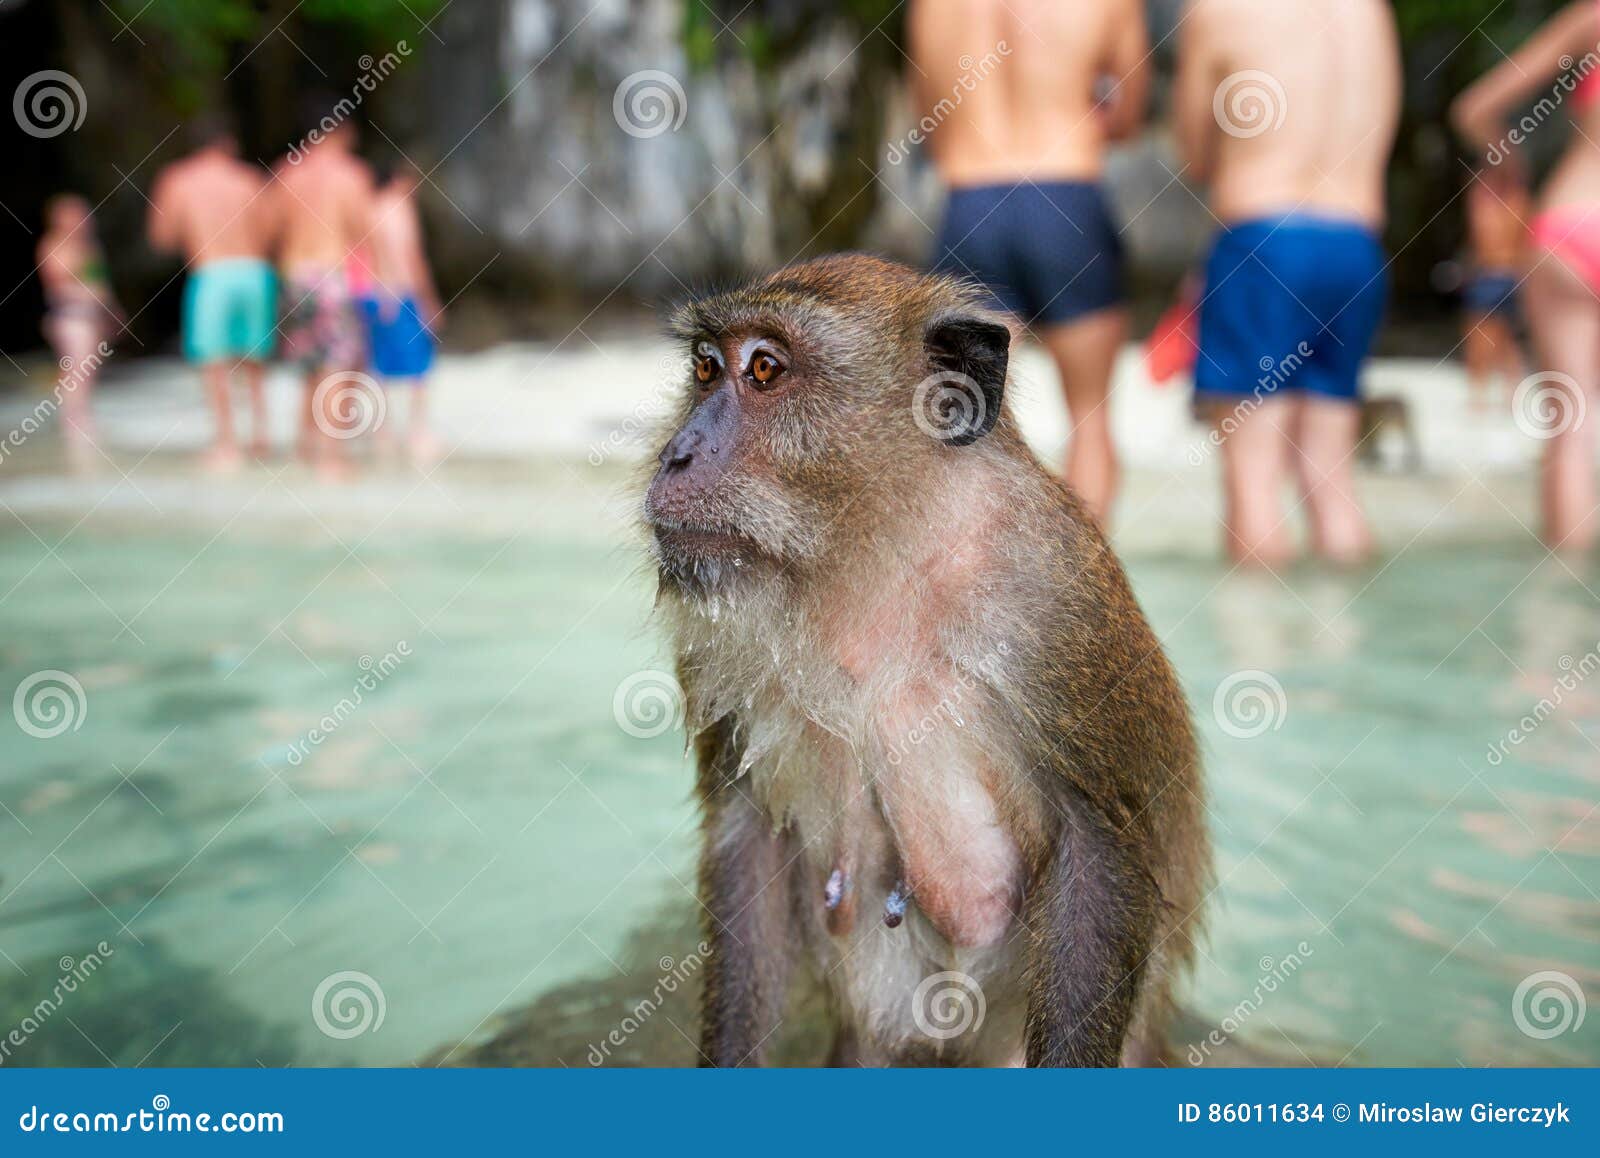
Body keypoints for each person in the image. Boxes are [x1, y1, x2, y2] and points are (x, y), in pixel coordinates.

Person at [1174, 0, 1401, 566]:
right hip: (1355, 246)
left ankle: (1258, 648)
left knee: (1253, 476)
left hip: (1265, 244)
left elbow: (1194, 155)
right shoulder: (1369, 11)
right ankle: (1346, 644)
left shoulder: (1218, 10)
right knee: (1331, 476)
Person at [909, 0, 1149, 524]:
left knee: (964, 432)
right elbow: (1128, 115)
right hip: (1065, 196)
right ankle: (1084, 596)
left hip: (970, 203)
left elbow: (928, 122)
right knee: (1089, 418)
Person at [1455, 2, 1600, 551]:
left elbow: (1474, 108)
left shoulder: (1592, 18)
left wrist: (1509, 162)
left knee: (1572, 429)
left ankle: (1563, 595)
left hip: (1574, 222)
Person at [148, 114, 280, 469]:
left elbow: (162, 237)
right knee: (254, 358)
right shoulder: (249, 179)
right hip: (255, 272)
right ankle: (260, 435)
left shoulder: (177, 179)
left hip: (212, 271)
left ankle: (227, 444)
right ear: (228, 144)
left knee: (214, 361)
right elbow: (270, 232)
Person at [271, 106, 375, 480]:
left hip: (295, 274)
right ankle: (331, 457)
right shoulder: (351, 173)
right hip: (332, 273)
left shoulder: (286, 171)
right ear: (340, 130)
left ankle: (305, 447)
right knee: (336, 363)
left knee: (309, 363)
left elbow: (274, 228)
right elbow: (362, 228)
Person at [355, 158, 444, 465]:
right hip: (400, 294)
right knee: (419, 368)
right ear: (397, 179)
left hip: (372, 295)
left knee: (379, 366)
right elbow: (410, 256)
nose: (416, 187)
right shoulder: (400, 208)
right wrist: (430, 300)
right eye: (412, 180)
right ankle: (418, 432)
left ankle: (383, 433)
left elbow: (360, 255)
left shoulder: (370, 207)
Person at [36, 194, 122, 462]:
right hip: (70, 317)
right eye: (75, 215)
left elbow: (101, 285)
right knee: (76, 370)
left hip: (93, 316)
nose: (82, 221)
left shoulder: (90, 247)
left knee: (88, 370)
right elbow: (59, 284)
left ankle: (80, 418)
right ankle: (73, 423)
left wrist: (113, 312)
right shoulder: (53, 246)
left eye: (84, 215)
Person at [1460, 163, 1530, 411]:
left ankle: (1483, 397)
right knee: (1501, 338)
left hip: (1499, 273)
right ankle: (1495, 395)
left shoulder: (1490, 198)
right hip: (1507, 273)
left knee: (1490, 338)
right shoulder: (1515, 196)